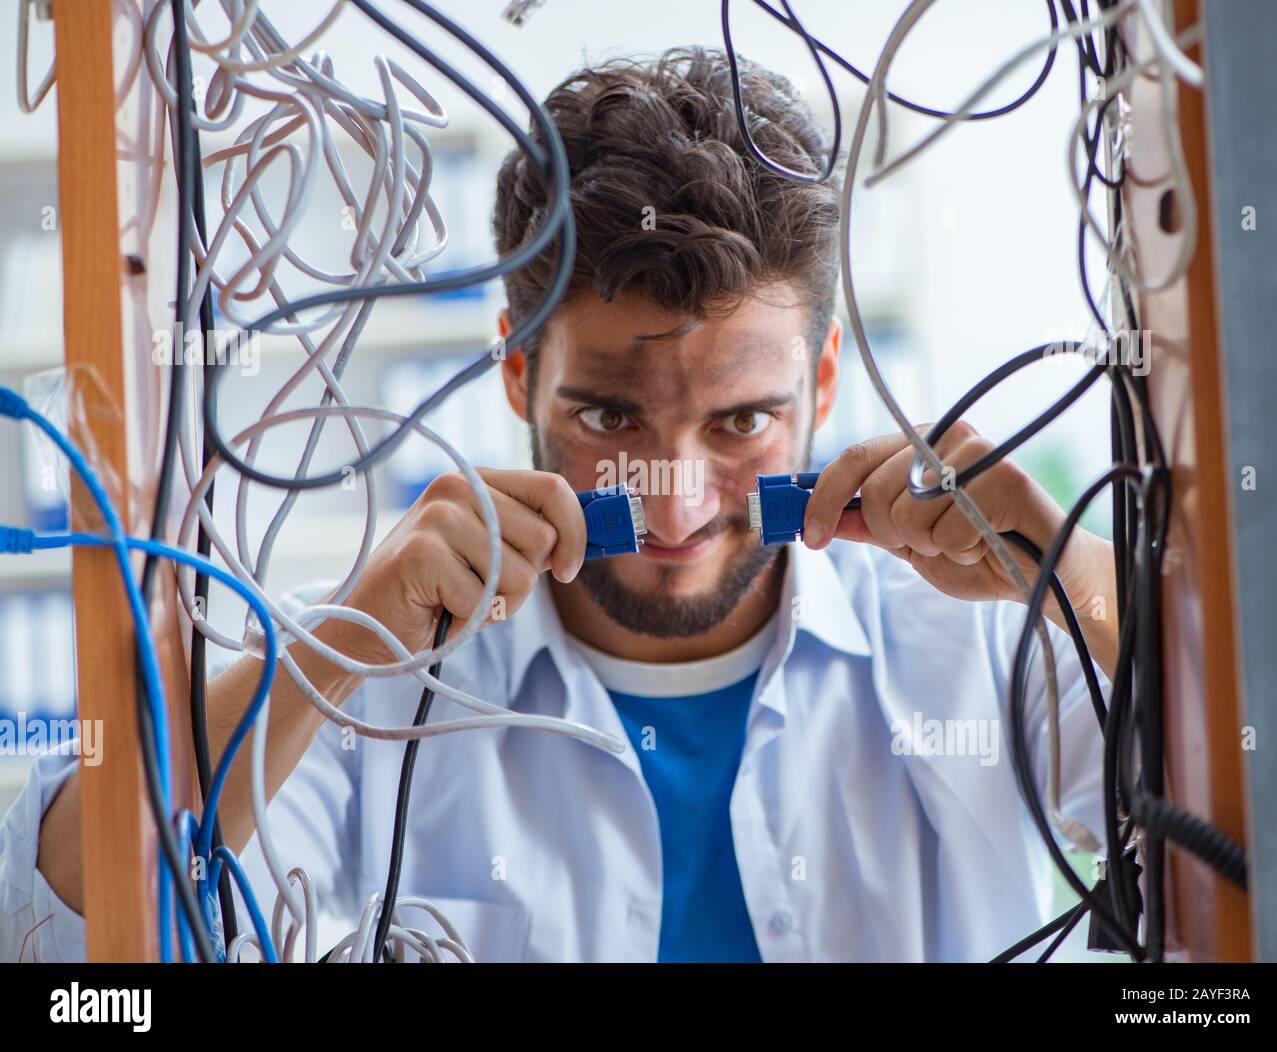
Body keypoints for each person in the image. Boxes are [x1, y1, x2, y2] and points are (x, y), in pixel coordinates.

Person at [0, 47, 1114, 963]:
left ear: (821, 382)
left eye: (738, 424)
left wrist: (1077, 582)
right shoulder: (380, 666)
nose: (674, 500)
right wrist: (341, 645)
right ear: (518, 372)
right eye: (611, 417)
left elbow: (1260, 834)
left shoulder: (978, 645)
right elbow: (61, 936)